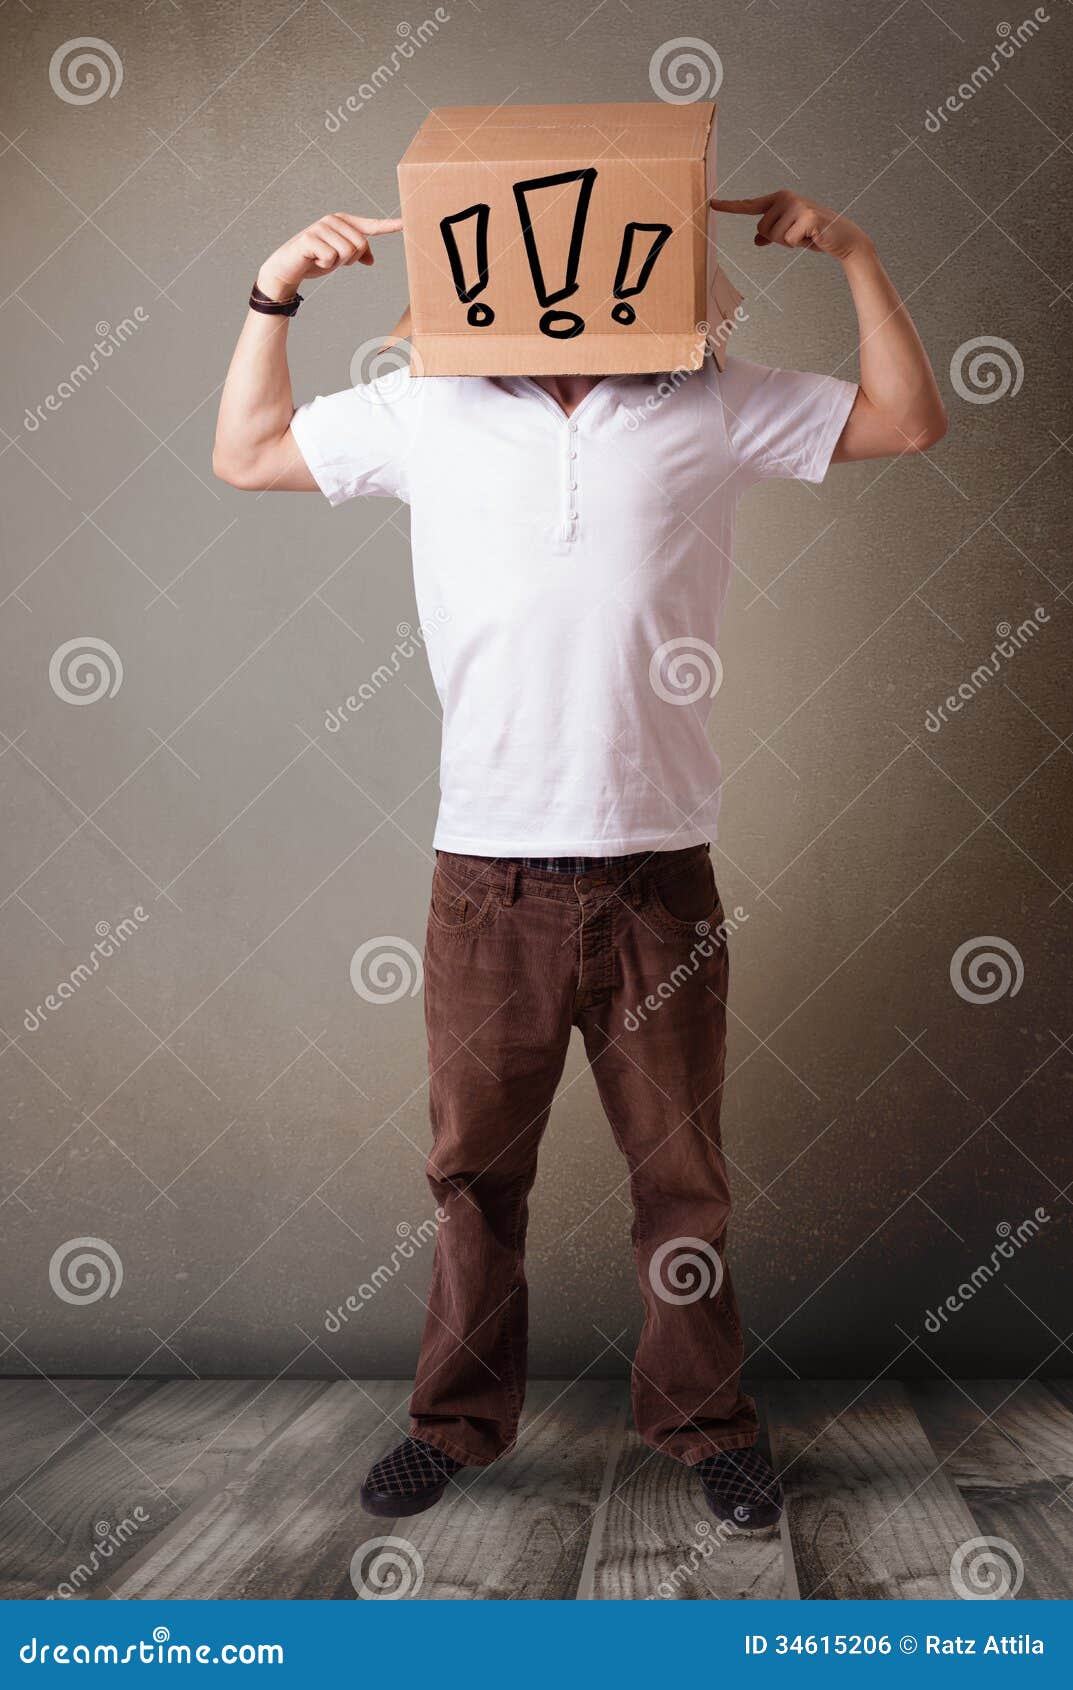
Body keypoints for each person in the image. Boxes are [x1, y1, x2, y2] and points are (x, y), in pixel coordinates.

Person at [213, 189, 946, 1529]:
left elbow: (906, 419)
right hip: (485, 875)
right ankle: (452, 1422)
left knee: (683, 1180)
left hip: (658, 874)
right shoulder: (426, 404)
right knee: (472, 1178)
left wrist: (854, 248)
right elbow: (247, 453)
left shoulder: (704, 396)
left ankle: (703, 1423)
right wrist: (277, 292)